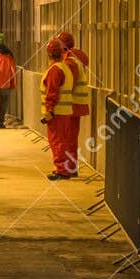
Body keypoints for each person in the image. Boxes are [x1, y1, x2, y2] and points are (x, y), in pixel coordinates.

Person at [39, 38, 78, 179]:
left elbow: (52, 92)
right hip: (65, 112)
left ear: (48, 54)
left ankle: (62, 170)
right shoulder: (65, 68)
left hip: (56, 114)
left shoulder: (54, 70)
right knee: (65, 142)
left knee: (57, 142)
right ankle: (68, 168)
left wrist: (49, 111)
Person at [58, 30, 90, 178]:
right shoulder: (76, 59)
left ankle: (69, 168)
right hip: (76, 105)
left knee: (68, 138)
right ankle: (71, 167)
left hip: (70, 106)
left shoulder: (70, 62)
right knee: (71, 138)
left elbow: (67, 84)